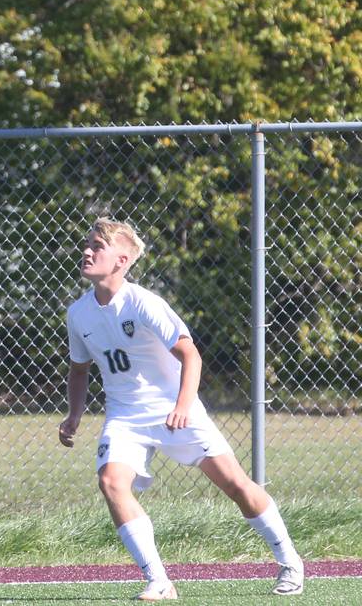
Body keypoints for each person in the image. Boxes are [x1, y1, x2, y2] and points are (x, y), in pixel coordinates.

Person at [58, 218, 304, 600]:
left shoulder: (143, 302)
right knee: (111, 483)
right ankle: (159, 580)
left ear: (121, 260)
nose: (86, 251)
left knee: (237, 485)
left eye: (97, 246)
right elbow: (78, 370)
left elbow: (190, 354)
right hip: (125, 417)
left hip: (176, 410)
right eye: (86, 244)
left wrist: (183, 406)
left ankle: (290, 561)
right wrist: (74, 415)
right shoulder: (79, 313)